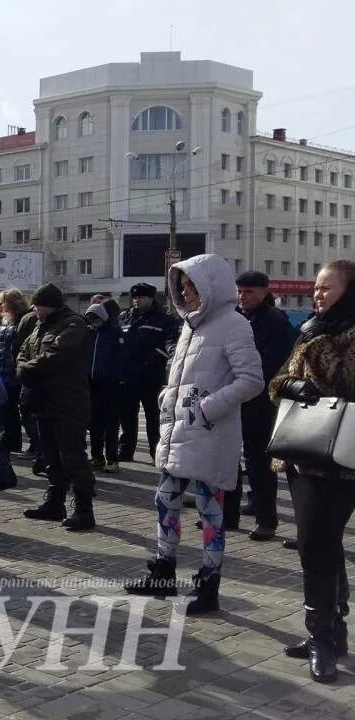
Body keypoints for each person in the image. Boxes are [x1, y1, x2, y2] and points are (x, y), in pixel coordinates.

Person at [125, 255, 263, 616]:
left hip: (210, 433)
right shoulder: (190, 325)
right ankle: (163, 572)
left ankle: (208, 583)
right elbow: (182, 376)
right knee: (165, 500)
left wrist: (207, 408)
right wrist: (166, 397)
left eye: (192, 286)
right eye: (182, 287)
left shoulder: (233, 325)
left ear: (211, 285)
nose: (186, 293)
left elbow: (251, 381)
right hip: (178, 431)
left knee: (210, 510)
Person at [270, 259, 355, 683]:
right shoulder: (310, 329)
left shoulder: (336, 332)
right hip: (304, 453)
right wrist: (290, 385)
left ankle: (322, 638)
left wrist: (320, 349)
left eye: (327, 288)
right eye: (315, 288)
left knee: (317, 546)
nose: (317, 295)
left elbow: (345, 382)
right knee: (319, 544)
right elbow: (277, 381)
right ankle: (329, 632)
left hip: (344, 458)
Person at [18, 283, 98, 532]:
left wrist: (26, 370)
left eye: (38, 306)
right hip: (44, 402)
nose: (35, 311)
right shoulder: (40, 326)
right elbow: (23, 350)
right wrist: (24, 367)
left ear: (48, 305)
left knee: (73, 456)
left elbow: (56, 356)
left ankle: (84, 510)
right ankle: (55, 503)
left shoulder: (74, 325)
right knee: (51, 457)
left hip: (68, 402)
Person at [233, 271, 298, 541]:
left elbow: (273, 363)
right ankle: (229, 513)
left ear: (263, 292)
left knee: (260, 463)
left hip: (262, 402)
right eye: (240, 291)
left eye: (249, 291)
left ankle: (267, 520)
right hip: (235, 398)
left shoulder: (274, 321)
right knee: (234, 460)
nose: (243, 296)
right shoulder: (236, 318)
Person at [118, 282, 178, 462]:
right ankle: (126, 450)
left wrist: (151, 359)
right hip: (127, 376)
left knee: (153, 417)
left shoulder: (163, 319)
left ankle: (156, 452)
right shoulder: (125, 317)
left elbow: (169, 344)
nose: (137, 300)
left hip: (150, 376)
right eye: (135, 297)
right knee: (127, 417)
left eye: (141, 297)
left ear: (151, 298)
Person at [85, 303, 125, 473]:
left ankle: (112, 459)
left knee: (110, 424)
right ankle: (96, 457)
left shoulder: (114, 332)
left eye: (96, 318)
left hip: (111, 385)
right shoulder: (90, 333)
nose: (94, 322)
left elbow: (123, 356)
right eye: (91, 319)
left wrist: (119, 377)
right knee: (94, 423)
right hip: (92, 384)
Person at [0, 289, 30, 453]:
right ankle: (11, 439)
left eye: (3, 302)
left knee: (14, 407)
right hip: (3, 368)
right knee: (7, 407)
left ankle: (14, 439)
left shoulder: (23, 320)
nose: (1, 306)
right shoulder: (5, 321)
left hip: (15, 369)